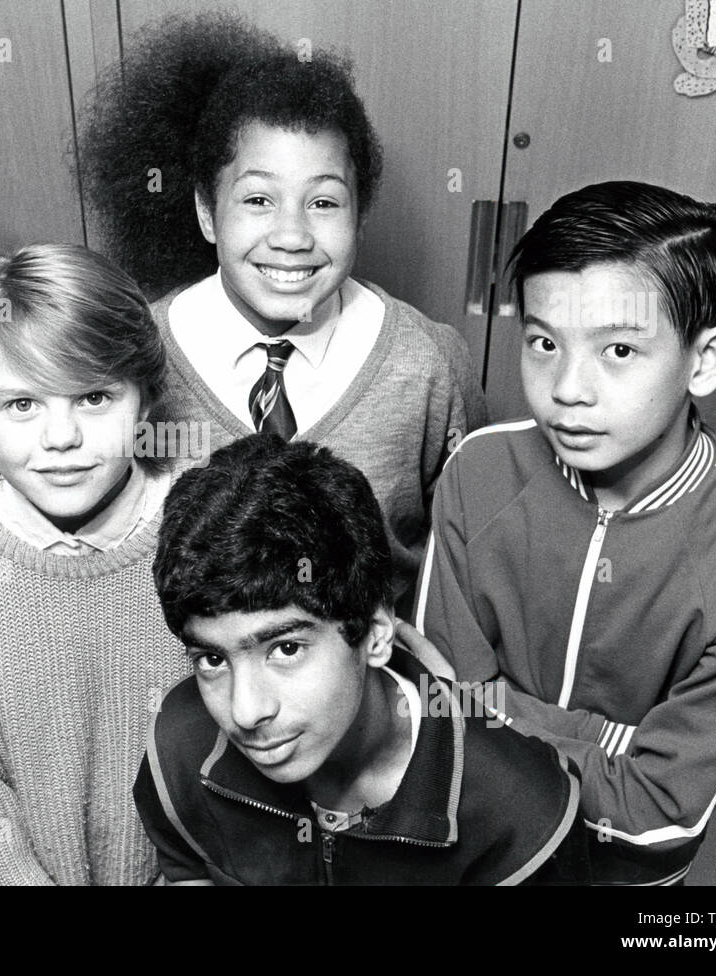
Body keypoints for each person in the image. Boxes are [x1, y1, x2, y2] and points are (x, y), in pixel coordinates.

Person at [410, 181, 716, 885]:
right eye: (542, 343)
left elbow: (656, 817)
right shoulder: (478, 473)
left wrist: (499, 709)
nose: (567, 388)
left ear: (705, 359)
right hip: (461, 839)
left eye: (618, 351)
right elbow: (437, 709)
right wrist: (609, 742)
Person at [77, 12, 486, 608]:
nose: (291, 235)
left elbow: (464, 561)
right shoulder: (136, 358)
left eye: (323, 201)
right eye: (259, 199)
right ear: (206, 213)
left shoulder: (427, 365)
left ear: (360, 214)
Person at [134, 434, 588, 884]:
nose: (246, 711)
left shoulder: (524, 819)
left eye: (286, 649)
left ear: (374, 633)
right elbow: (186, 868)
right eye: (213, 660)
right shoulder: (178, 746)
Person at [0, 243, 188, 885]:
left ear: (144, 398)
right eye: (22, 405)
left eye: (93, 398)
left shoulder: (207, 520)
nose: (61, 438)